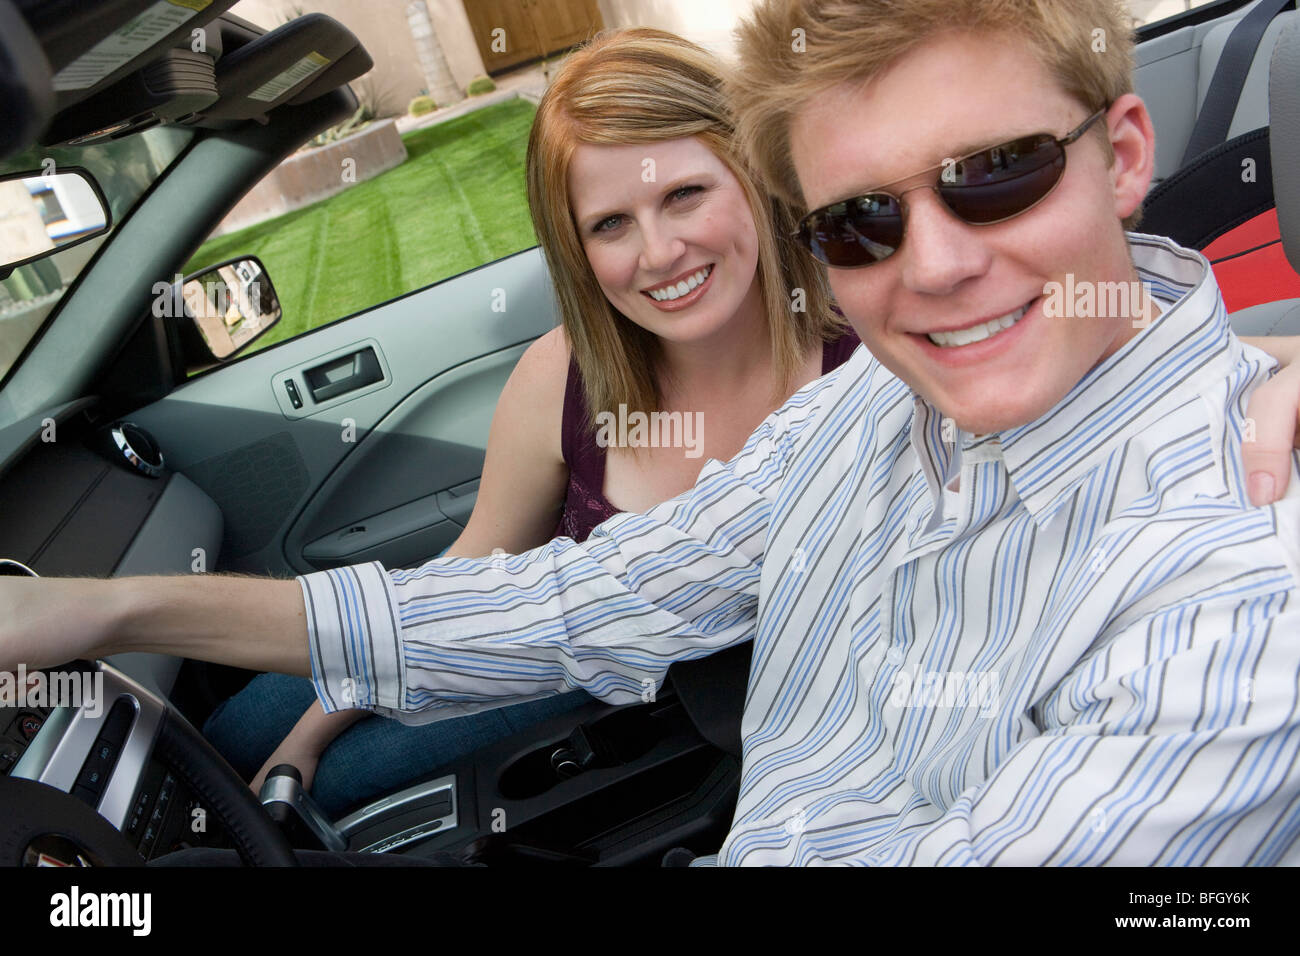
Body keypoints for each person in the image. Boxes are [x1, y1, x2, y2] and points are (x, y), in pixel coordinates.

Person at [4, 0, 1300, 865]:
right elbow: (568, 597)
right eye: (860, 222)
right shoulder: (866, 410)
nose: (941, 265)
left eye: (996, 173)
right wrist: (113, 618)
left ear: (1124, 153)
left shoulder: (1233, 584)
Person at [200, 28, 855, 816]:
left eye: (685, 194)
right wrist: (315, 721)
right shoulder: (564, 373)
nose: (659, 251)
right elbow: (470, 569)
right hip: (507, 624)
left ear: (752, 173)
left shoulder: (866, 359)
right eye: (611, 224)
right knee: (231, 731)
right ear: (575, 249)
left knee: (326, 788)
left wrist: (315, 749)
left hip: (607, 701)